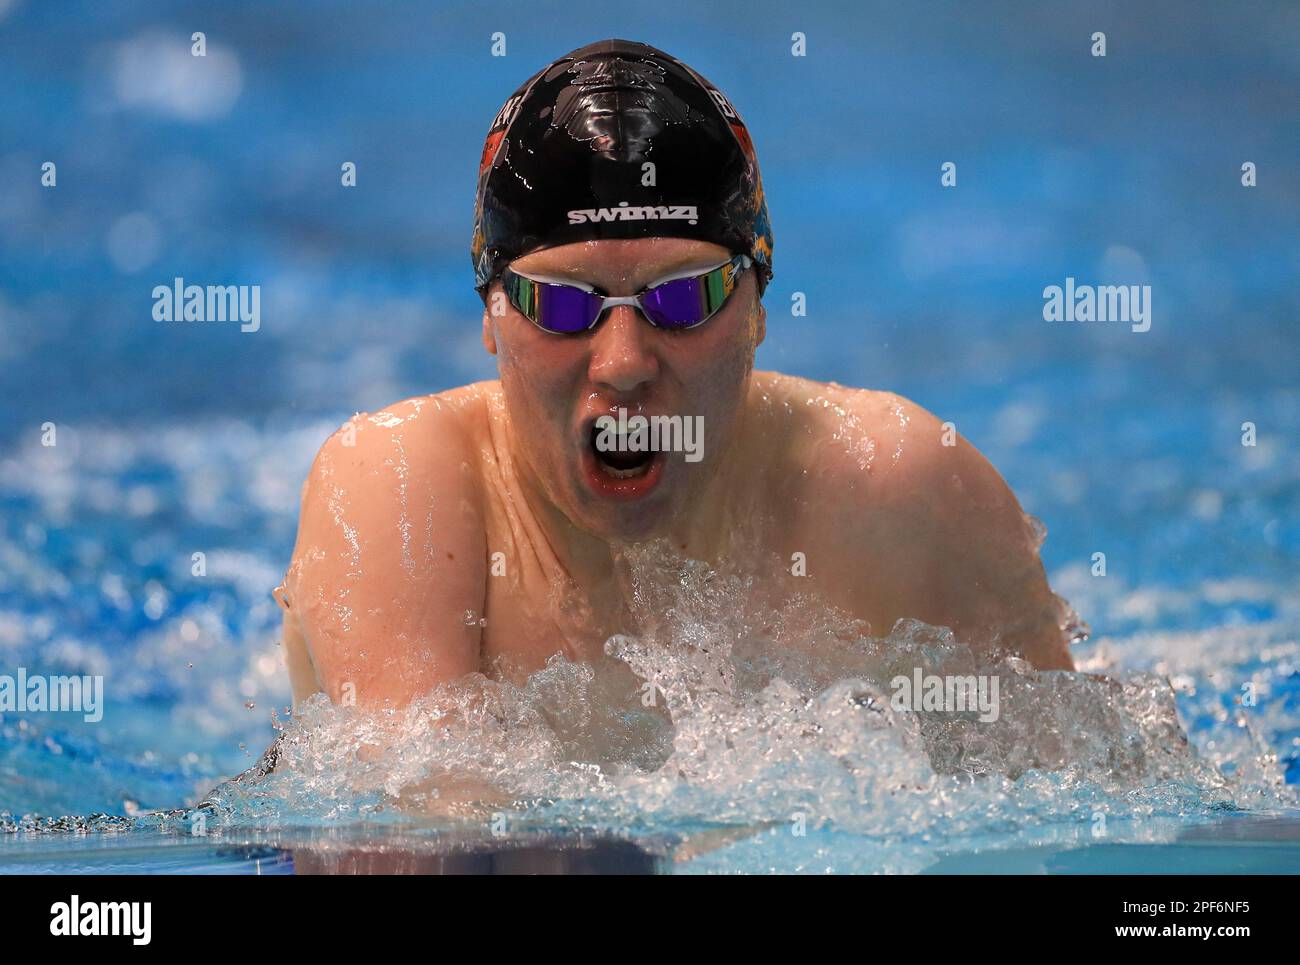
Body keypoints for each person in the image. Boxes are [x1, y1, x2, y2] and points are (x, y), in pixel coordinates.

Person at [273, 39, 1075, 711]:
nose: (623, 363)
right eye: (560, 306)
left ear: (757, 305)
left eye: (684, 299)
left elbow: (1095, 817)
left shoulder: (904, 490)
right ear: (491, 316)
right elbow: (420, 840)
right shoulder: (397, 490)